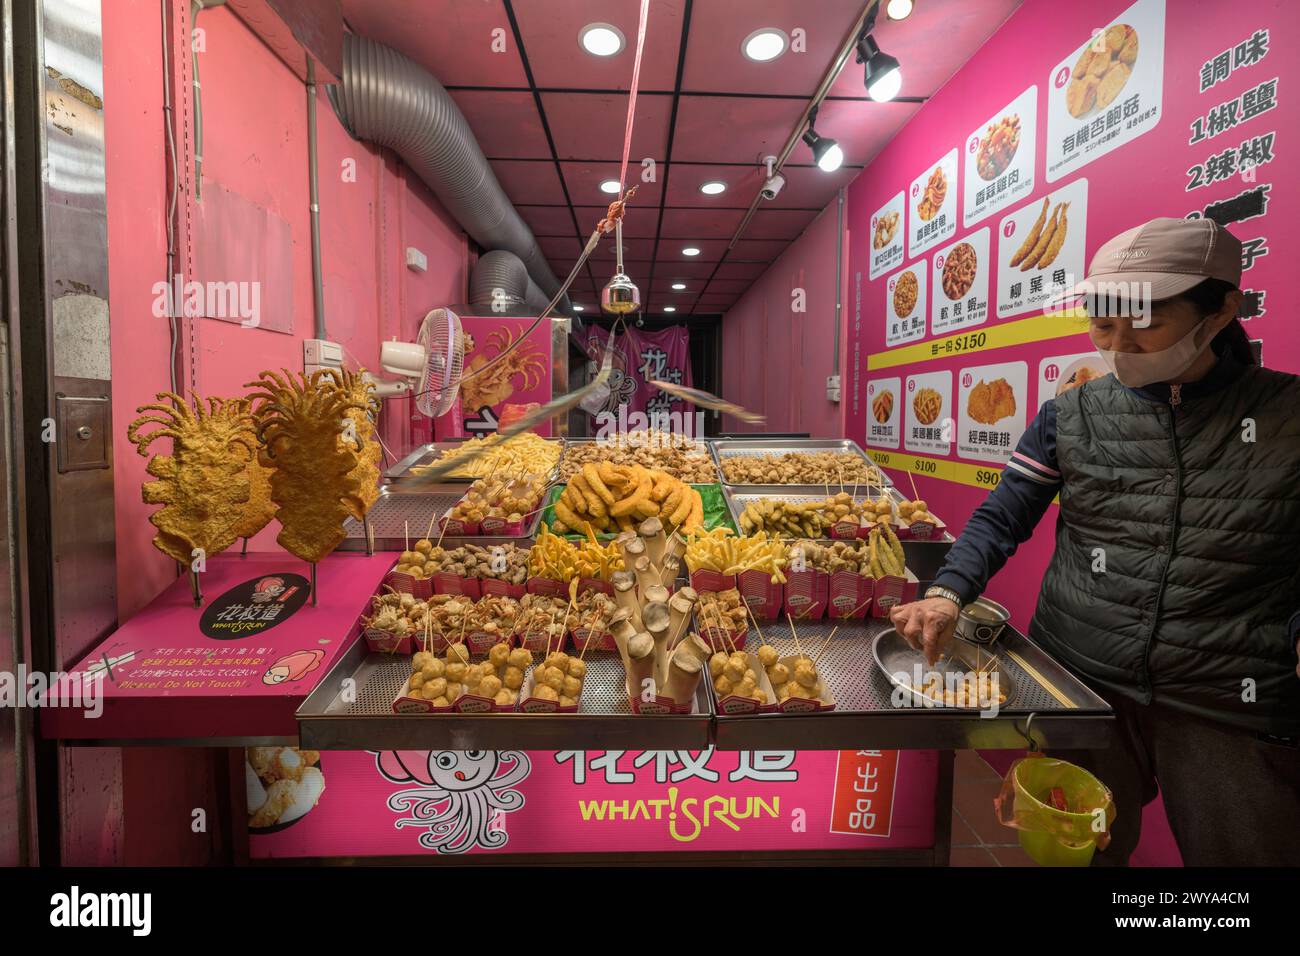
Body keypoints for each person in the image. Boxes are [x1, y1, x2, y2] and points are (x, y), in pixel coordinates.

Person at [890, 217, 1300, 866]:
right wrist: (947, 592)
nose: (1118, 346)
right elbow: (1003, 516)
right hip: (1083, 682)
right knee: (1075, 853)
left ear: (1221, 309)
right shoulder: (1072, 414)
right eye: (1102, 325)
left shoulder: (1287, 418)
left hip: (1227, 700)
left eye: (1144, 325)